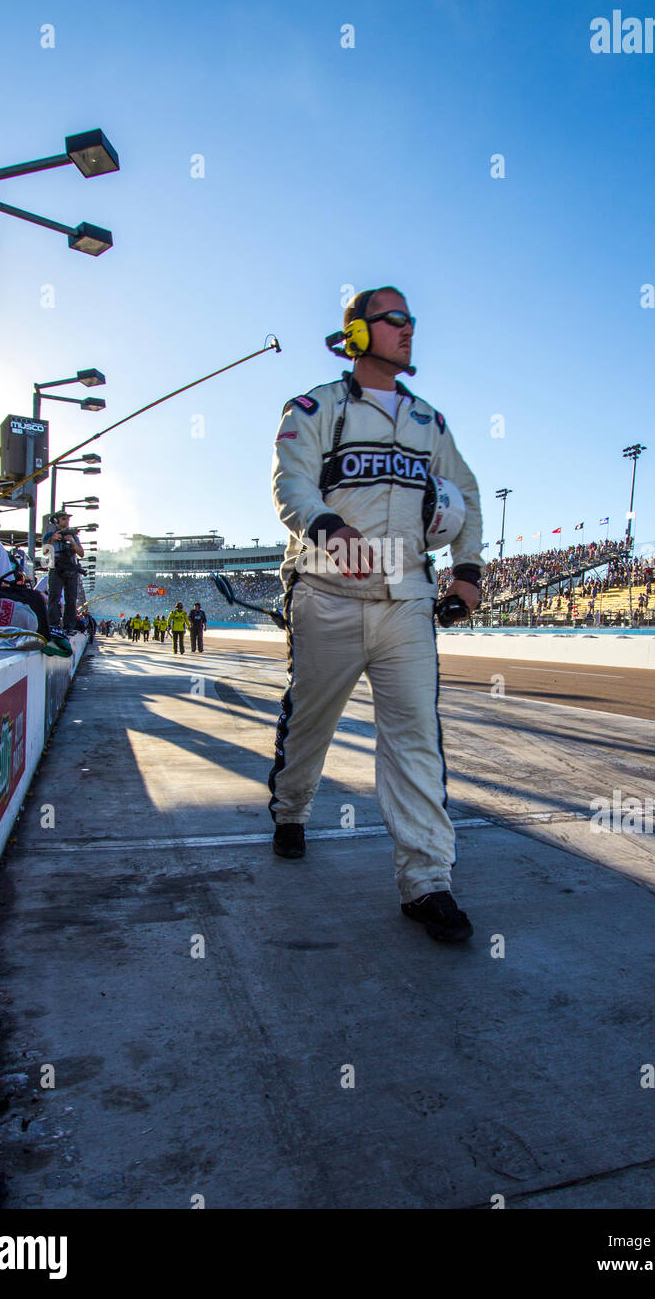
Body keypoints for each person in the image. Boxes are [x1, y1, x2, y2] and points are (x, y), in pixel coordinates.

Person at [268, 285, 483, 943]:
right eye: (395, 320)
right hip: (327, 598)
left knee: (416, 738)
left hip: (407, 605)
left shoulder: (430, 423)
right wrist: (327, 525)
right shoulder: (314, 409)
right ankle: (290, 809)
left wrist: (468, 570)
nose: (409, 330)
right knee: (310, 721)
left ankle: (427, 882)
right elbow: (290, 482)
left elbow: (468, 493)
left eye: (412, 320)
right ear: (357, 334)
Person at [42, 511, 84, 633]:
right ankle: (53, 625)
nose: (66, 521)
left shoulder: (74, 536)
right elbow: (45, 552)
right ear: (57, 521)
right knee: (54, 596)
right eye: (63, 519)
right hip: (56, 568)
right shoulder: (50, 535)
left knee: (71, 598)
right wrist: (52, 539)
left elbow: (81, 553)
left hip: (71, 568)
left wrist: (72, 541)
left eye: (67, 519)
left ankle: (69, 626)